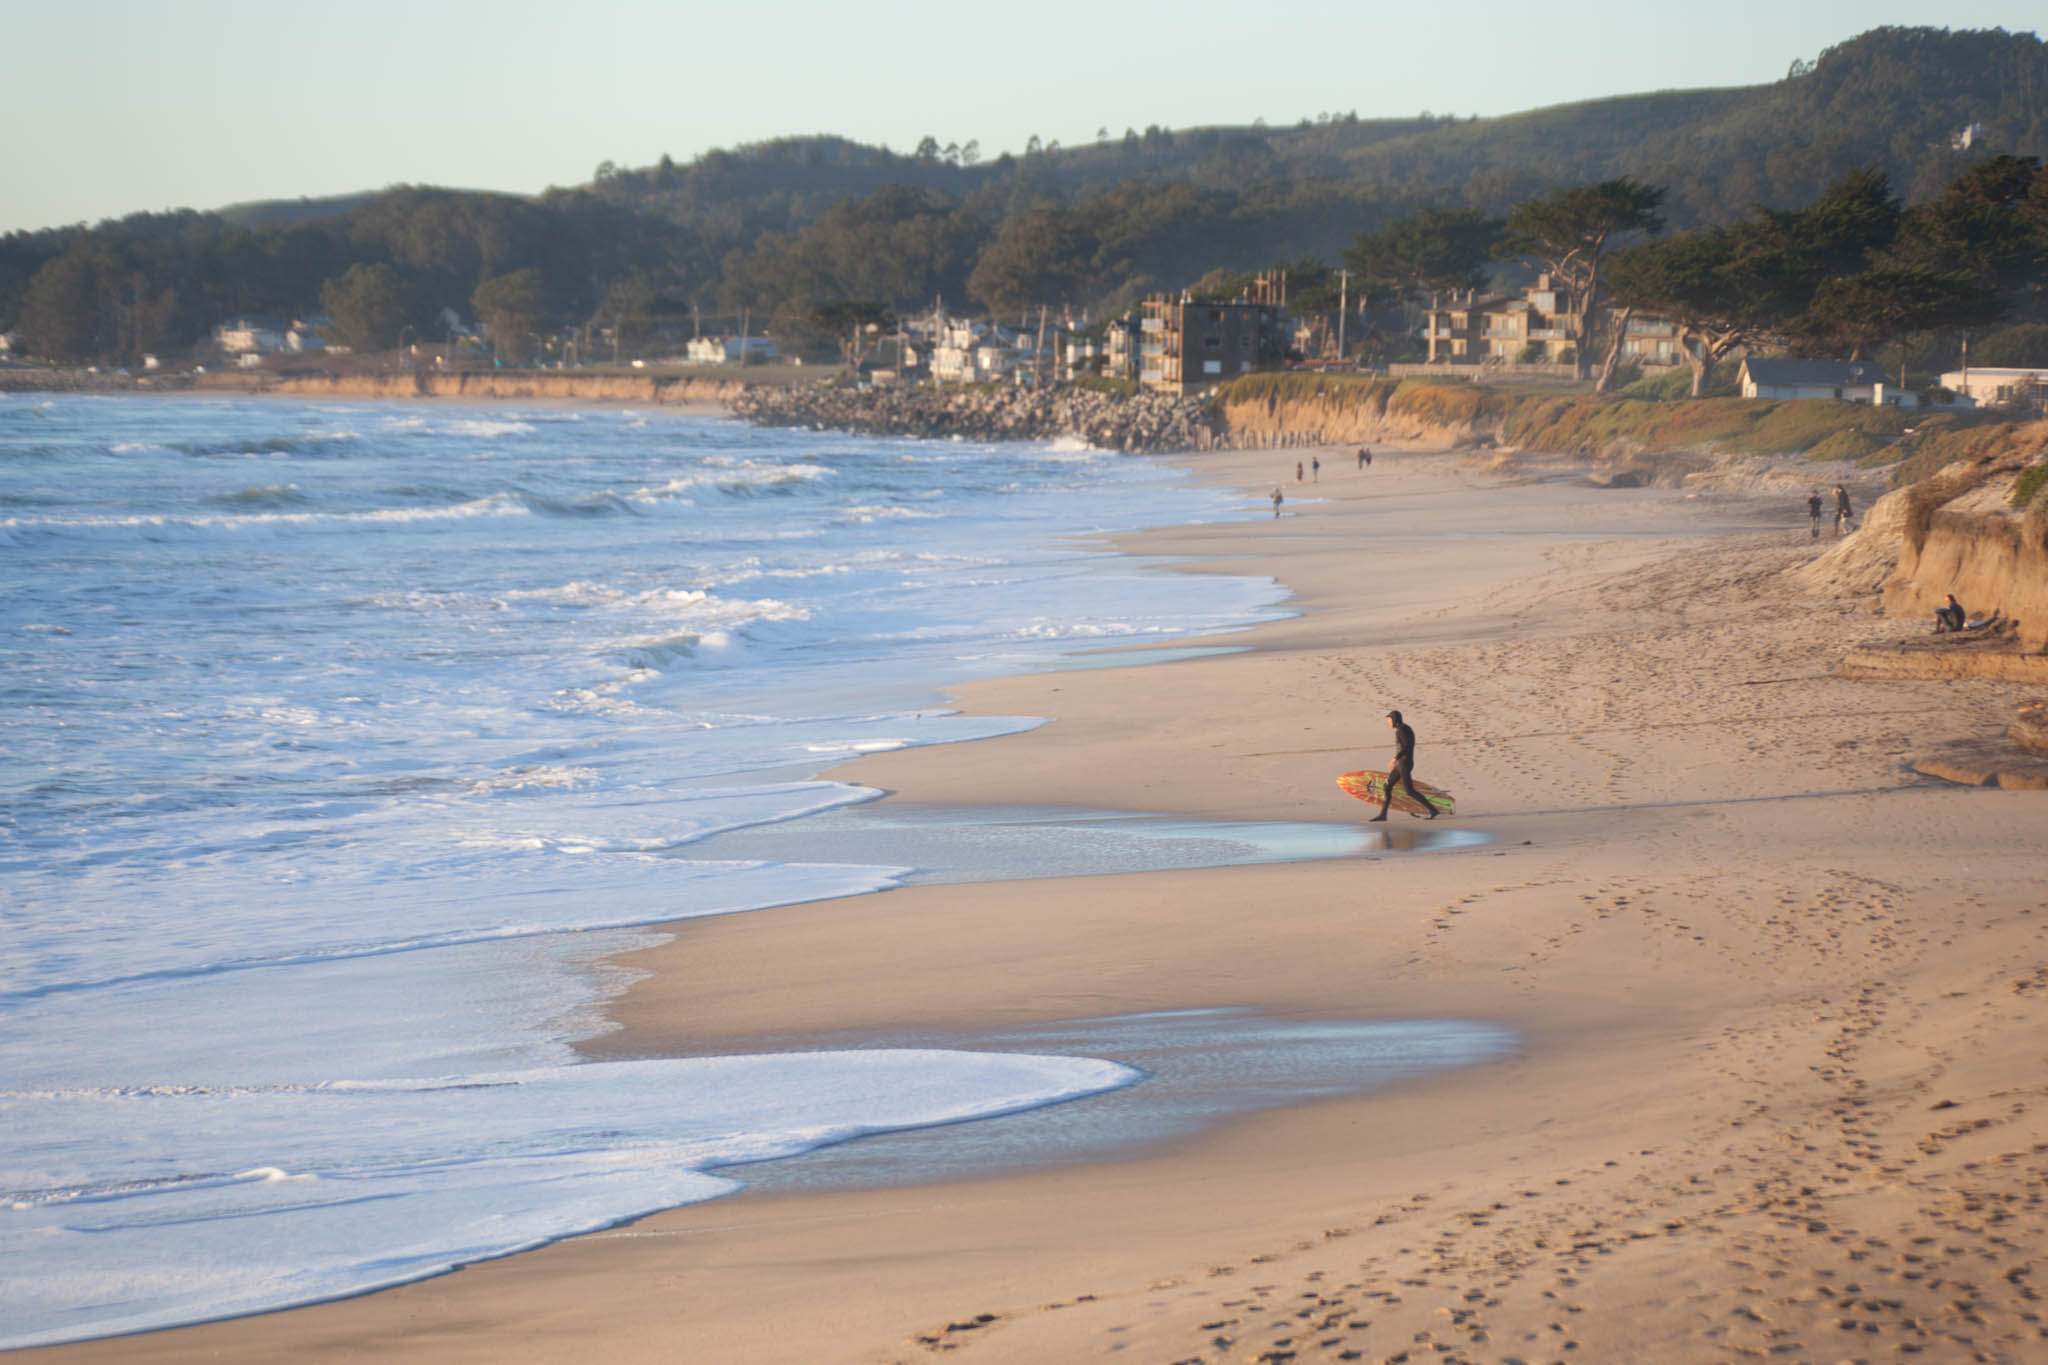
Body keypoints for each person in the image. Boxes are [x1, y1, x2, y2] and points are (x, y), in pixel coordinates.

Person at [1371, 709, 1437, 822]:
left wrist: (1395, 758)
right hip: (1401, 764)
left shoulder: (1401, 730)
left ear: (1394, 720)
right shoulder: (1405, 728)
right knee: (1387, 786)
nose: (1389, 722)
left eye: (1389, 720)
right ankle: (1383, 815)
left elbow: (1406, 746)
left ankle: (1433, 810)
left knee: (1409, 791)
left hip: (1404, 764)